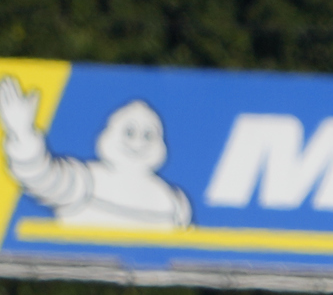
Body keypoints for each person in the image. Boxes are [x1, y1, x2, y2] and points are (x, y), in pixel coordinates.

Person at [0, 75, 191, 228]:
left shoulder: (174, 202)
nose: (138, 142)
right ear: (110, 134)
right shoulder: (85, 180)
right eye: (129, 132)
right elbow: (42, 177)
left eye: (148, 135)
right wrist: (22, 134)